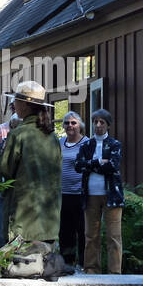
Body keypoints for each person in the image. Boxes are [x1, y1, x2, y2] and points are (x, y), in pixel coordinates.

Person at [0, 81, 62, 251]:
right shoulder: (53, 138)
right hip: (49, 222)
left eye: (16, 101)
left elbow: (5, 170)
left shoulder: (18, 135)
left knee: (19, 269)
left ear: (25, 105)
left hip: (22, 220)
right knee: (43, 267)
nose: (13, 104)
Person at [75, 108, 124, 273]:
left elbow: (113, 166)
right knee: (91, 236)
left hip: (112, 195)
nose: (98, 125)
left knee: (114, 236)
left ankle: (115, 273)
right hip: (90, 195)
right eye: (95, 122)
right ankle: (91, 270)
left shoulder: (115, 144)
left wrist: (91, 165)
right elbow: (78, 166)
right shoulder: (86, 144)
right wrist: (98, 162)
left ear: (108, 125)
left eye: (102, 122)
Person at [58, 111, 87, 267]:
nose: (70, 126)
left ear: (80, 125)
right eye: (67, 123)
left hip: (80, 193)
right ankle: (66, 263)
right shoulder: (59, 142)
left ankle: (83, 263)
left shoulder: (87, 143)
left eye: (73, 123)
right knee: (65, 231)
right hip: (63, 193)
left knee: (82, 230)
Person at [0, 104, 19, 246]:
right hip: (4, 194)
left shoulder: (27, 146)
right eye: (14, 126)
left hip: (20, 196)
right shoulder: (3, 145)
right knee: (0, 234)